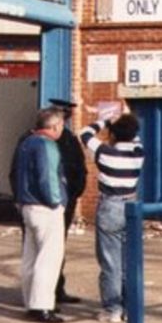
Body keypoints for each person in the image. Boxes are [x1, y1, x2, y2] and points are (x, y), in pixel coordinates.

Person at [79, 111, 145, 323]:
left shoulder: (106, 153)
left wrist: (106, 121)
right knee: (128, 262)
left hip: (110, 206)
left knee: (110, 262)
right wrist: (126, 120)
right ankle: (129, 307)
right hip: (132, 207)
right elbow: (133, 135)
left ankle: (112, 309)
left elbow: (85, 133)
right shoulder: (138, 153)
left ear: (114, 134)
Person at [12, 107, 69, 323]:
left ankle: (30, 302)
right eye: (61, 125)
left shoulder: (26, 143)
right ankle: (42, 306)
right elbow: (48, 179)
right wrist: (57, 202)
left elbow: (17, 174)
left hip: (27, 205)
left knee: (30, 257)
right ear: (54, 126)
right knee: (49, 259)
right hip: (45, 208)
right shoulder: (48, 145)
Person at [48, 98, 88, 305]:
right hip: (48, 203)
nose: (68, 119)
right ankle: (44, 294)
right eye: (65, 115)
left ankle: (57, 289)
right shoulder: (40, 139)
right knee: (46, 250)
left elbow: (79, 166)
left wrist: (76, 192)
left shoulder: (70, 138)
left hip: (67, 199)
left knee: (58, 247)